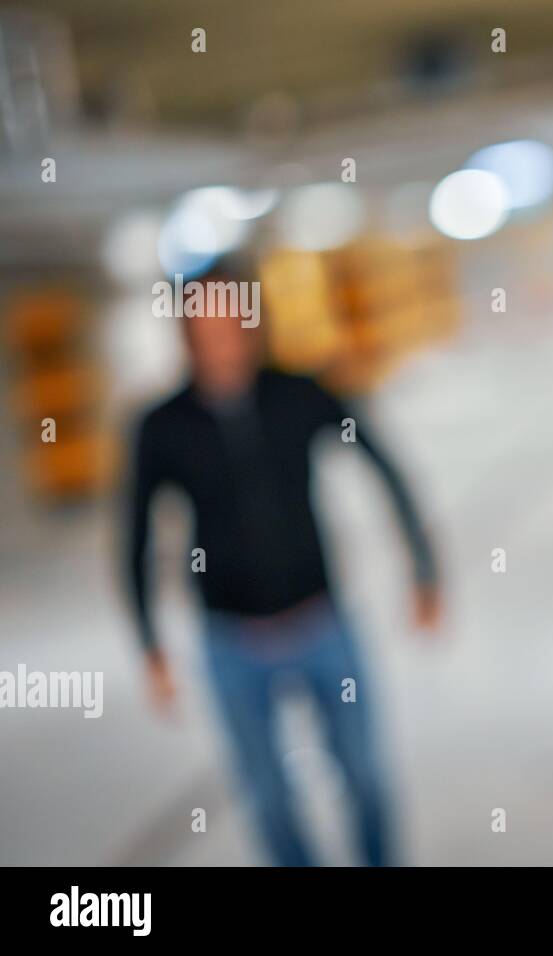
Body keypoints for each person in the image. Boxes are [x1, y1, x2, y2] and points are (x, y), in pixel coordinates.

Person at [123, 261, 442, 866]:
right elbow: (135, 535)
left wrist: (423, 571)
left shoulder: (301, 394)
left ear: (253, 323)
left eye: (229, 320)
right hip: (231, 641)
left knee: (366, 778)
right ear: (186, 333)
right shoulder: (162, 426)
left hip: (322, 624)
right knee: (269, 798)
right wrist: (150, 645)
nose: (219, 336)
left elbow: (384, 467)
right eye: (203, 323)